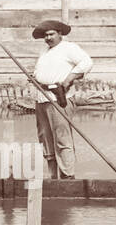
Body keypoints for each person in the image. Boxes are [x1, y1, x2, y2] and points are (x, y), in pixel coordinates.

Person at [30, 18, 92, 179]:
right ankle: (53, 177)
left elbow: (86, 63)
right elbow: (40, 71)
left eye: (51, 34)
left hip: (58, 98)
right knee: (45, 138)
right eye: (45, 35)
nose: (48, 38)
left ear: (60, 34)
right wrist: (35, 77)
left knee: (62, 138)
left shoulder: (69, 48)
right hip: (42, 98)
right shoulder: (44, 51)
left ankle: (67, 176)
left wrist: (68, 80)